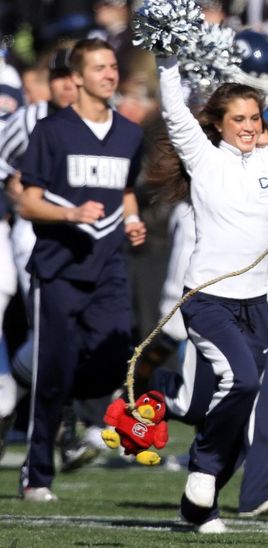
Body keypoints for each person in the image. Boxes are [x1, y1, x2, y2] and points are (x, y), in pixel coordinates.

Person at [152, 43, 268, 533]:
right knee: (242, 382)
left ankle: (199, 508)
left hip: (257, 306)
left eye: (254, 117)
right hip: (208, 300)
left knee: (243, 408)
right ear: (218, 123)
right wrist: (167, 58)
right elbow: (174, 111)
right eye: (237, 118)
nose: (247, 126)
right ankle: (201, 466)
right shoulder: (203, 157)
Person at [16, 37, 145, 502]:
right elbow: (29, 201)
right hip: (58, 267)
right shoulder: (52, 132)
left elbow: (126, 189)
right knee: (51, 375)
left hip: (108, 265)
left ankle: (80, 409)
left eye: (113, 66)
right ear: (77, 77)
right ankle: (37, 475)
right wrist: (70, 214)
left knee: (117, 354)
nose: (109, 74)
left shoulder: (130, 133)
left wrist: (131, 221)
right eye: (98, 68)